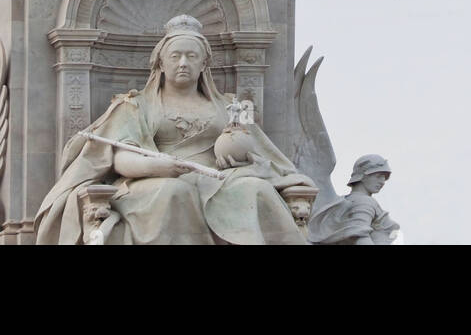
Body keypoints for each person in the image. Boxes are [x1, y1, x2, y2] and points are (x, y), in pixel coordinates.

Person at [34, 15, 311, 245]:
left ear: (203, 64)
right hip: (154, 180)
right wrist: (159, 167)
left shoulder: (229, 106)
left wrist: (241, 155)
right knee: (173, 191)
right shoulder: (137, 105)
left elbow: (259, 150)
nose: (183, 63)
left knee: (257, 188)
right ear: (161, 63)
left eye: (192, 56)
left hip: (218, 180)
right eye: (175, 56)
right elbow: (118, 158)